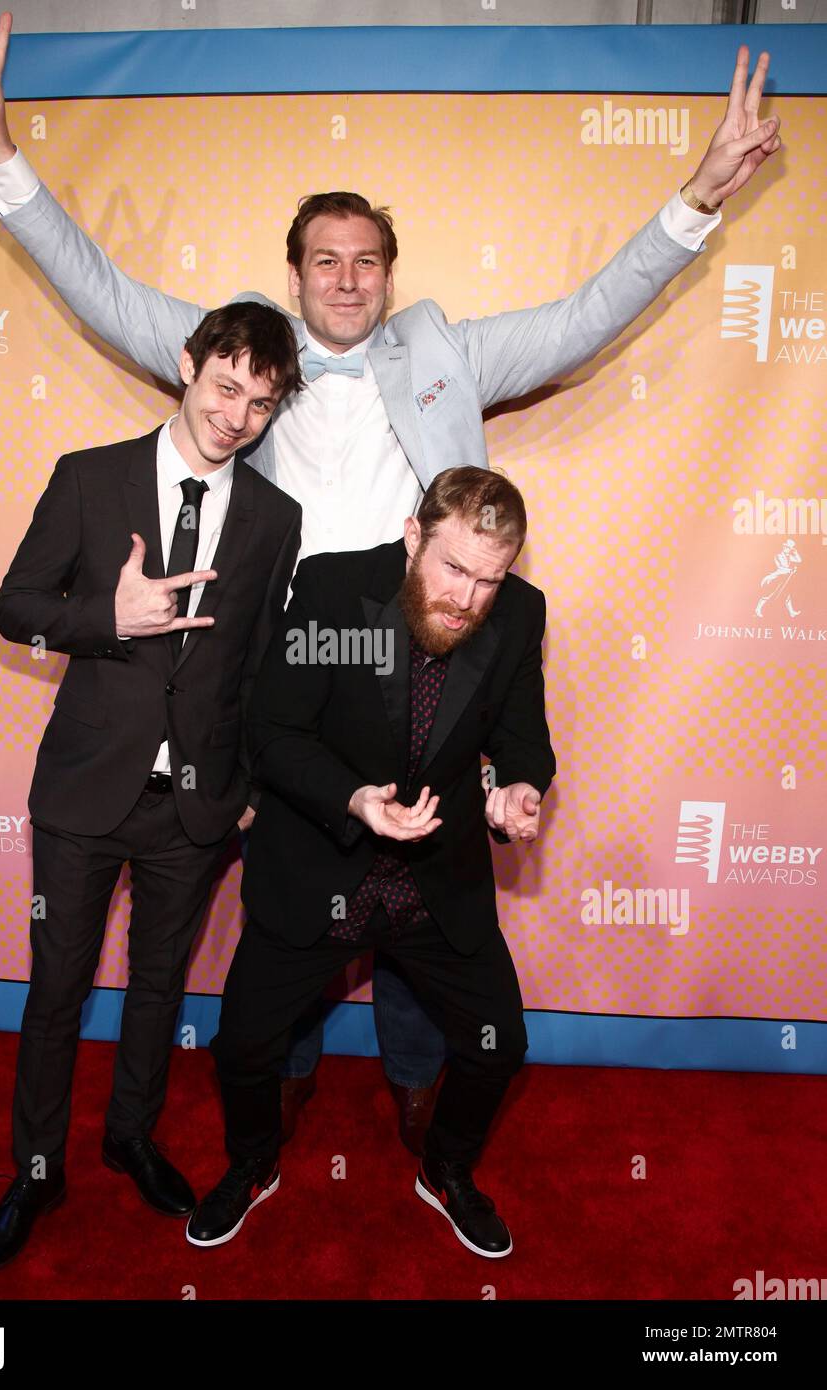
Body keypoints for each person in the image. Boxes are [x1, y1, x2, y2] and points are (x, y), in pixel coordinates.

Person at [0, 13, 781, 1150]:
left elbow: (588, 312)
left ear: (390, 276)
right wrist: (0, 159)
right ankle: (275, 1079)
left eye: (366, 261)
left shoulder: (448, 351)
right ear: (295, 273)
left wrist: (699, 193)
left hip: (409, 655)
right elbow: (103, 290)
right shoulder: (249, 363)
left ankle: (416, 1082)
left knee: (421, 870)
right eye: (325, 260)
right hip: (279, 666)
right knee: (288, 889)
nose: (347, 278)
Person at [0, 302, 303, 1273]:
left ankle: (131, 1137)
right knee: (56, 991)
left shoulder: (275, 518)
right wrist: (104, 615)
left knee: (158, 986)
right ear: (188, 366)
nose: (236, 415)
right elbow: (15, 608)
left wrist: (240, 789)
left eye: (260, 402)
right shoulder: (89, 476)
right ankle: (34, 1171)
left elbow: (254, 666)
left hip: (195, 809)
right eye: (225, 385)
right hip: (81, 795)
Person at [188, 466, 554, 1258]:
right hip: (327, 864)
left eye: (490, 579)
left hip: (432, 878)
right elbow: (276, 732)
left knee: (500, 1044)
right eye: (454, 568)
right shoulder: (330, 589)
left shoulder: (519, 615)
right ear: (414, 534)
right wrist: (355, 798)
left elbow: (522, 732)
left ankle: (446, 1169)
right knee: (243, 1047)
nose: (467, 598)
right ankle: (254, 1164)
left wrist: (522, 786)